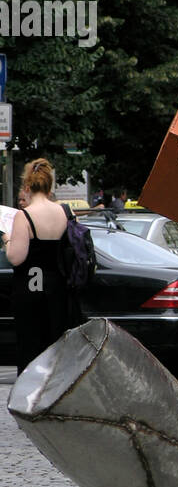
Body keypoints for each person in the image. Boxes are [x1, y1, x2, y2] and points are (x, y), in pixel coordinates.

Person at [2, 158, 80, 374]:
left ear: (27, 186)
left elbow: (16, 257)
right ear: (49, 186)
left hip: (30, 291)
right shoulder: (66, 213)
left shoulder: (24, 216)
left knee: (30, 348)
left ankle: (30, 397)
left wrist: (7, 239)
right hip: (59, 290)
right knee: (56, 348)